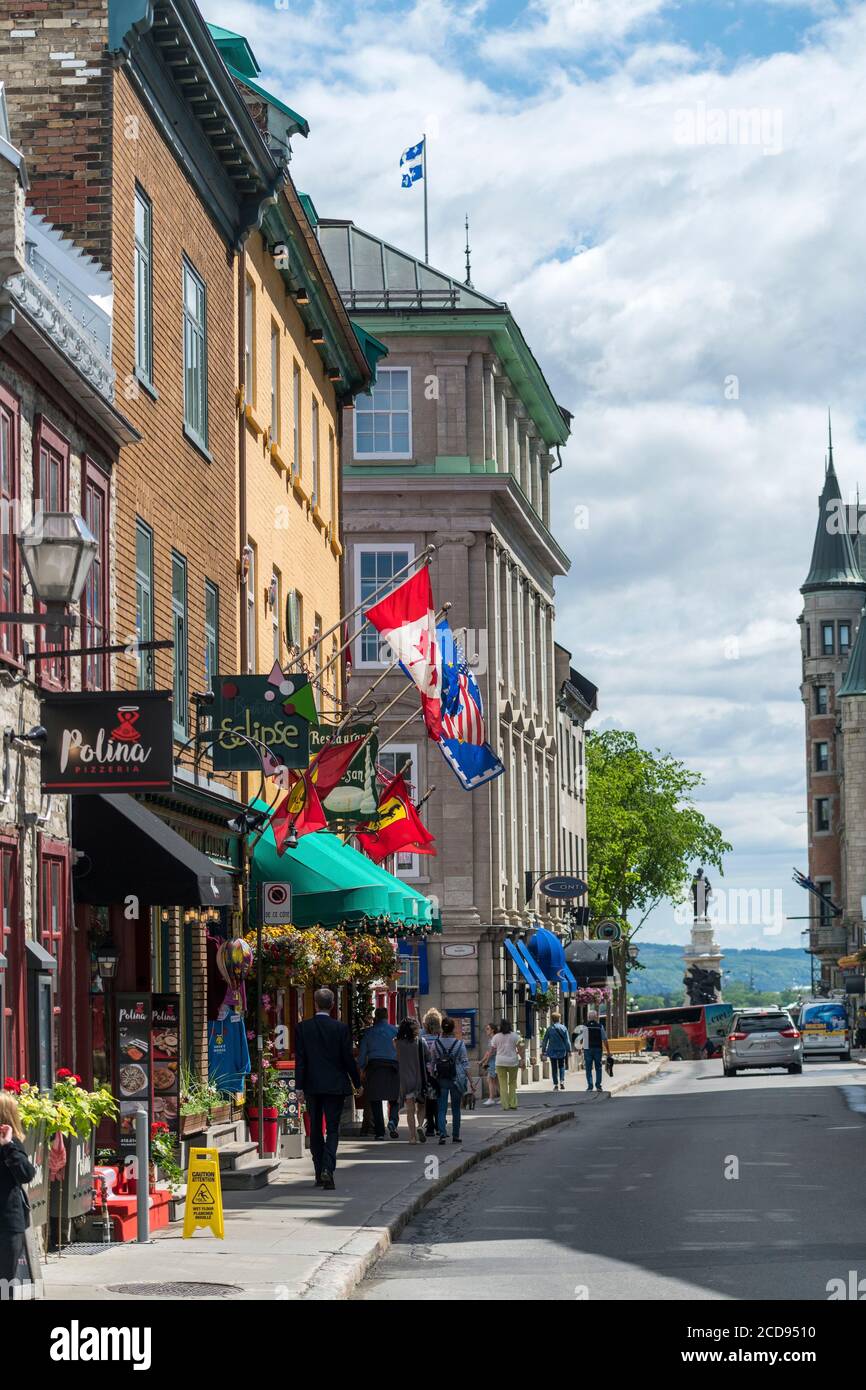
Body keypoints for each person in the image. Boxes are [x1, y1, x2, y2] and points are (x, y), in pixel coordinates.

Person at [294, 987, 360, 1190]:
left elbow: (301, 1061)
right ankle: (327, 1169)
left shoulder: (303, 1028)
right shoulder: (340, 1029)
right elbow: (348, 1059)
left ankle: (317, 1172)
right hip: (335, 1086)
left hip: (312, 1086)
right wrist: (357, 1083)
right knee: (332, 1128)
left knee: (315, 1128)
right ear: (332, 1006)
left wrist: (299, 1087)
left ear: (315, 1004)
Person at [0, 1093, 36, 1284]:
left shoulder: (12, 1145)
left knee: (4, 1283)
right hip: (8, 1223)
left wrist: (8, 1145)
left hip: (6, 1224)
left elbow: (26, 1174)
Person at [358, 1006, 400, 1139]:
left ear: (376, 1017)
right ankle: (393, 1120)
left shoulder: (369, 1033)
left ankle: (380, 1132)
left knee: (375, 1099)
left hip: (375, 1067)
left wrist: (362, 1068)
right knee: (394, 1098)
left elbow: (363, 1053)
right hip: (393, 1067)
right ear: (387, 1016)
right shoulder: (395, 1031)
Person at [432, 1016, 469, 1143]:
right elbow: (465, 1064)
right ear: (453, 1029)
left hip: (441, 1078)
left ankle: (442, 1133)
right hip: (456, 1078)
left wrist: (432, 1076)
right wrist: (469, 1080)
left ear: (442, 1027)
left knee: (441, 1108)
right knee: (455, 1108)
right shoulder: (459, 1044)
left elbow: (432, 1062)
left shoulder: (436, 1044)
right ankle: (456, 1135)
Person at [395, 1017, 429, 1143]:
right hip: (420, 1079)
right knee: (421, 1105)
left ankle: (412, 1137)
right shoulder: (421, 1042)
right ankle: (420, 1125)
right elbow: (428, 1057)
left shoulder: (397, 1043)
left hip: (405, 1080)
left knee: (410, 1111)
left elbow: (396, 1057)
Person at [488, 1017, 524, 1110]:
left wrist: (486, 1060)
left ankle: (505, 1105)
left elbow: (492, 1050)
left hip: (500, 1062)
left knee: (502, 1084)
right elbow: (521, 1046)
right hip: (513, 1062)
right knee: (512, 1083)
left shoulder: (496, 1037)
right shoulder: (515, 1035)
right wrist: (521, 1057)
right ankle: (513, 1104)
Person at [577, 1010, 612, 1094]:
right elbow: (604, 1039)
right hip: (597, 1049)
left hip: (587, 1049)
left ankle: (590, 1086)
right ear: (596, 1017)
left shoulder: (585, 1026)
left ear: (589, 1018)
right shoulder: (600, 1026)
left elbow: (581, 1039)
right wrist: (608, 1051)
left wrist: (579, 1049)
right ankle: (598, 1086)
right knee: (598, 1068)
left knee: (588, 1068)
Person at [420, 1007, 443, 1135]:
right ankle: (439, 1126)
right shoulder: (440, 1038)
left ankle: (430, 1127)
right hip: (439, 1072)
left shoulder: (421, 1038)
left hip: (426, 1073)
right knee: (439, 1099)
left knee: (429, 1100)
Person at [541, 1011, 572, 1090]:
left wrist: (543, 1050)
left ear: (552, 1019)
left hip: (552, 1050)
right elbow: (567, 1040)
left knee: (554, 1067)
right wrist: (569, 1050)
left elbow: (545, 1041)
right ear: (559, 1019)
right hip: (562, 1050)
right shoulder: (563, 1028)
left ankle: (555, 1084)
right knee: (561, 1065)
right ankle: (562, 1081)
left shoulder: (549, 1029)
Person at [480, 1022, 498, 1106]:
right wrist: (482, 1061)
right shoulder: (491, 1039)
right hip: (493, 1061)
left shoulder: (493, 1039)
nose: (486, 1030)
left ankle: (491, 1098)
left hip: (493, 1061)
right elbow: (488, 1052)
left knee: (490, 1079)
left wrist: (485, 1062)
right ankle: (502, 1097)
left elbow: (491, 1053)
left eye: (488, 1029)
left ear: (492, 1030)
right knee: (495, 1080)